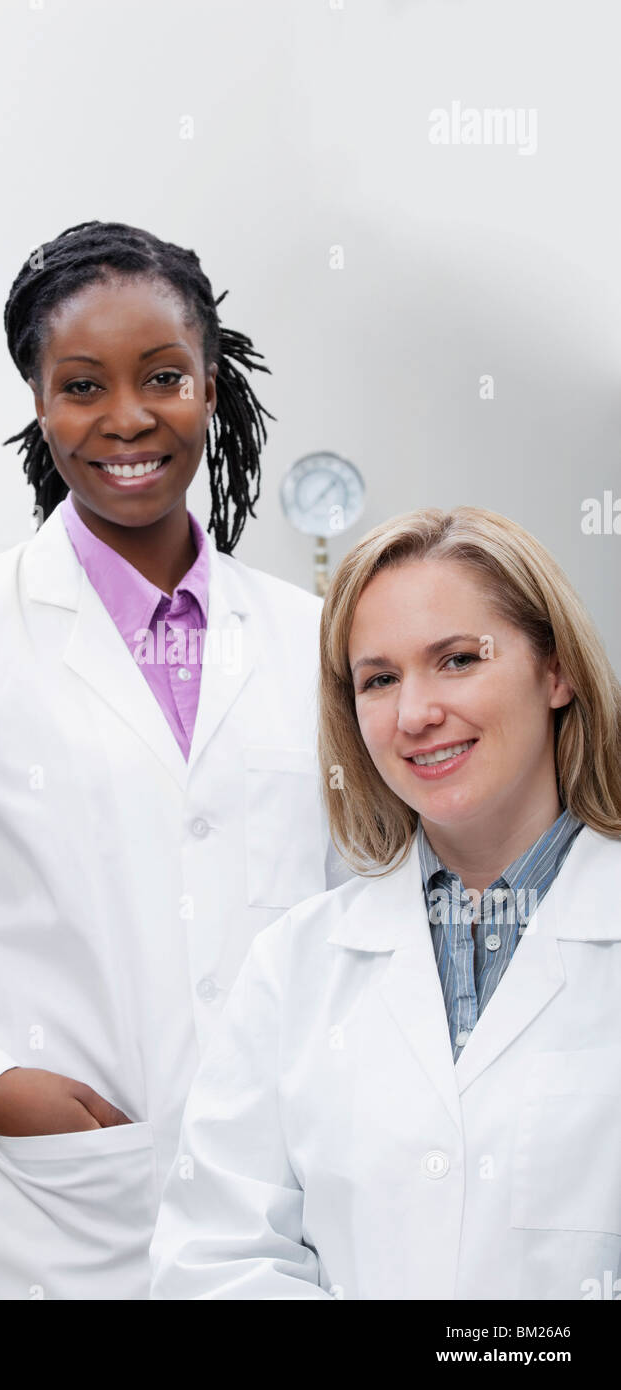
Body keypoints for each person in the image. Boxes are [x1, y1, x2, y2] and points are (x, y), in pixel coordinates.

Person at [0, 220, 345, 1300]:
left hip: (281, 1201)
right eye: (81, 385)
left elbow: (356, 912)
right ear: (39, 405)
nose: (127, 418)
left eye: (163, 377)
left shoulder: (312, 640)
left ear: (210, 389)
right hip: (43, 1216)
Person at [149, 505, 621, 1300]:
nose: (415, 714)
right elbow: (213, 1261)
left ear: (556, 672)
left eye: (459, 659)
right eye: (379, 679)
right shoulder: (297, 964)